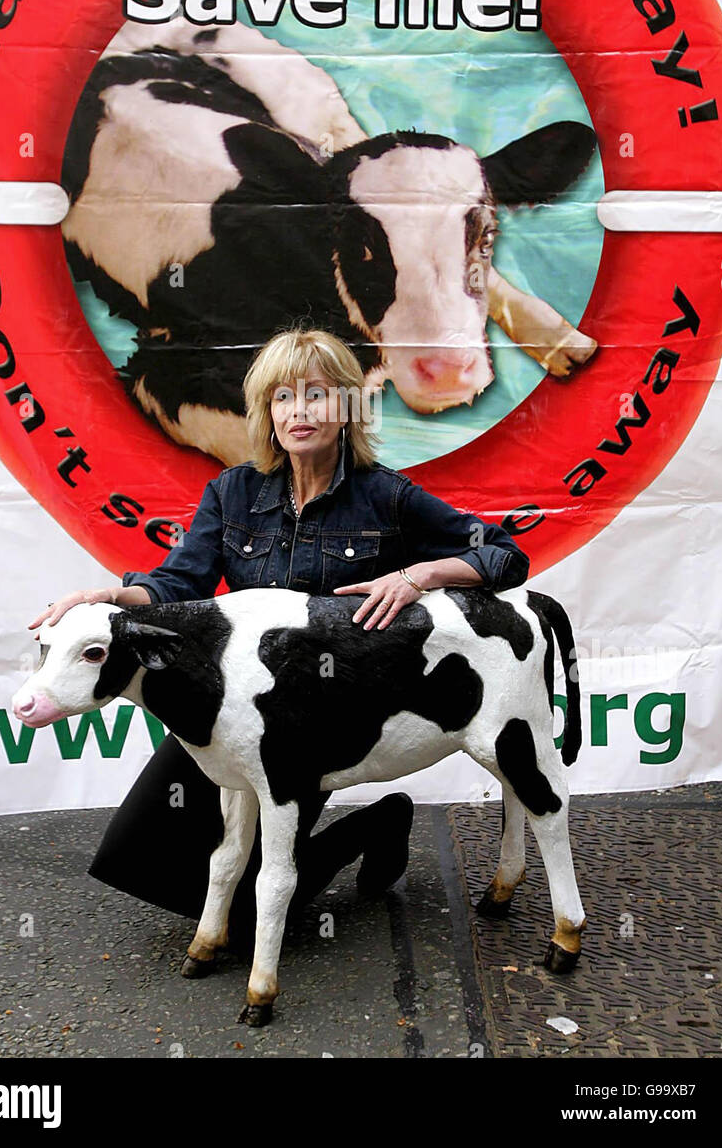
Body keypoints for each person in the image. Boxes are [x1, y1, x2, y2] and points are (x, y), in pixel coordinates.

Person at [28, 326, 529, 949]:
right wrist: (109, 598)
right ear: (266, 411)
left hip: (316, 726)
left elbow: (507, 558)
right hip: (233, 715)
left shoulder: (387, 498)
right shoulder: (232, 492)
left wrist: (418, 574)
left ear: (347, 406)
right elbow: (176, 584)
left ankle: (365, 831)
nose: (299, 411)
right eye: (282, 397)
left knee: (243, 916)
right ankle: (378, 825)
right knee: (129, 859)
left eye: (316, 395)